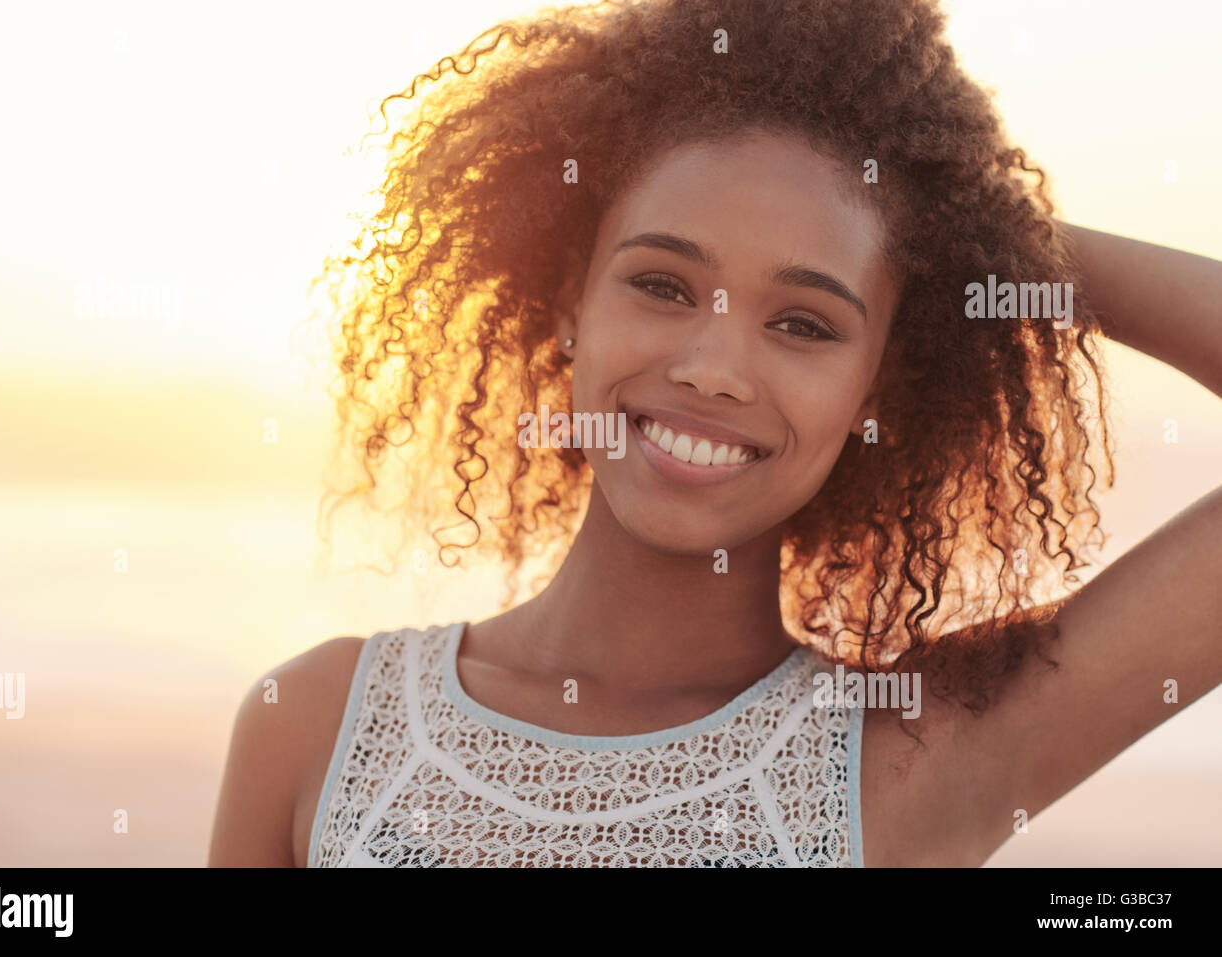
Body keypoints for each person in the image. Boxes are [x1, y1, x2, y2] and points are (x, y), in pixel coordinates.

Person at [208, 0, 1222, 867]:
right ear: (570, 298)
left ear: (881, 383)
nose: (711, 368)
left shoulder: (913, 756)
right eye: (661, 285)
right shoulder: (314, 724)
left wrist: (973, 234)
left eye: (804, 323)